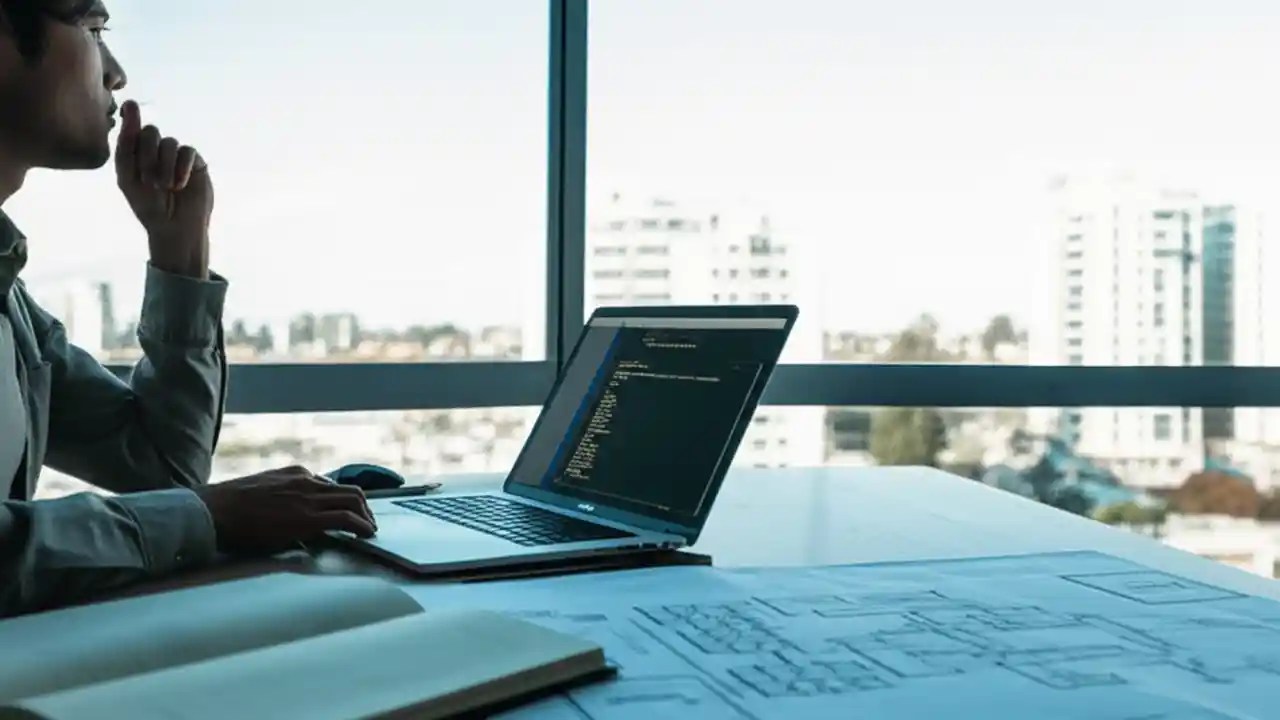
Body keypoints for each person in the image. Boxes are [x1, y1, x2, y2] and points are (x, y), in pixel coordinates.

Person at [0, 0, 378, 617]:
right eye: (94, 29)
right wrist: (211, 517)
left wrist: (180, 254)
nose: (115, 72)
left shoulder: (9, 299)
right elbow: (185, 499)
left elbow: (163, 466)